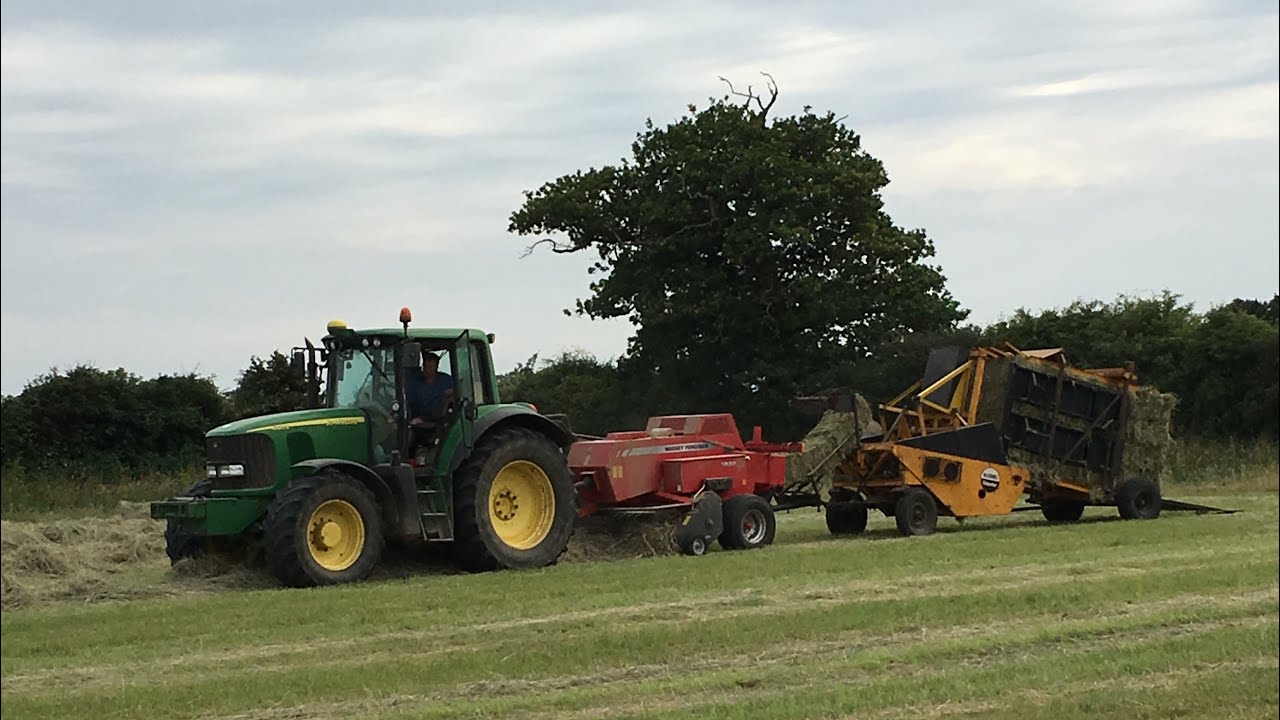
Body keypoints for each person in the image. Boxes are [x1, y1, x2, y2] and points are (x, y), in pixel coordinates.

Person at [406, 350, 455, 428]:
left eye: (431, 367)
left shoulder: (446, 380)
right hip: (417, 420)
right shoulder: (415, 381)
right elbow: (408, 402)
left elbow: (455, 397)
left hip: (440, 421)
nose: (427, 370)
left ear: (436, 367)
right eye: (425, 366)